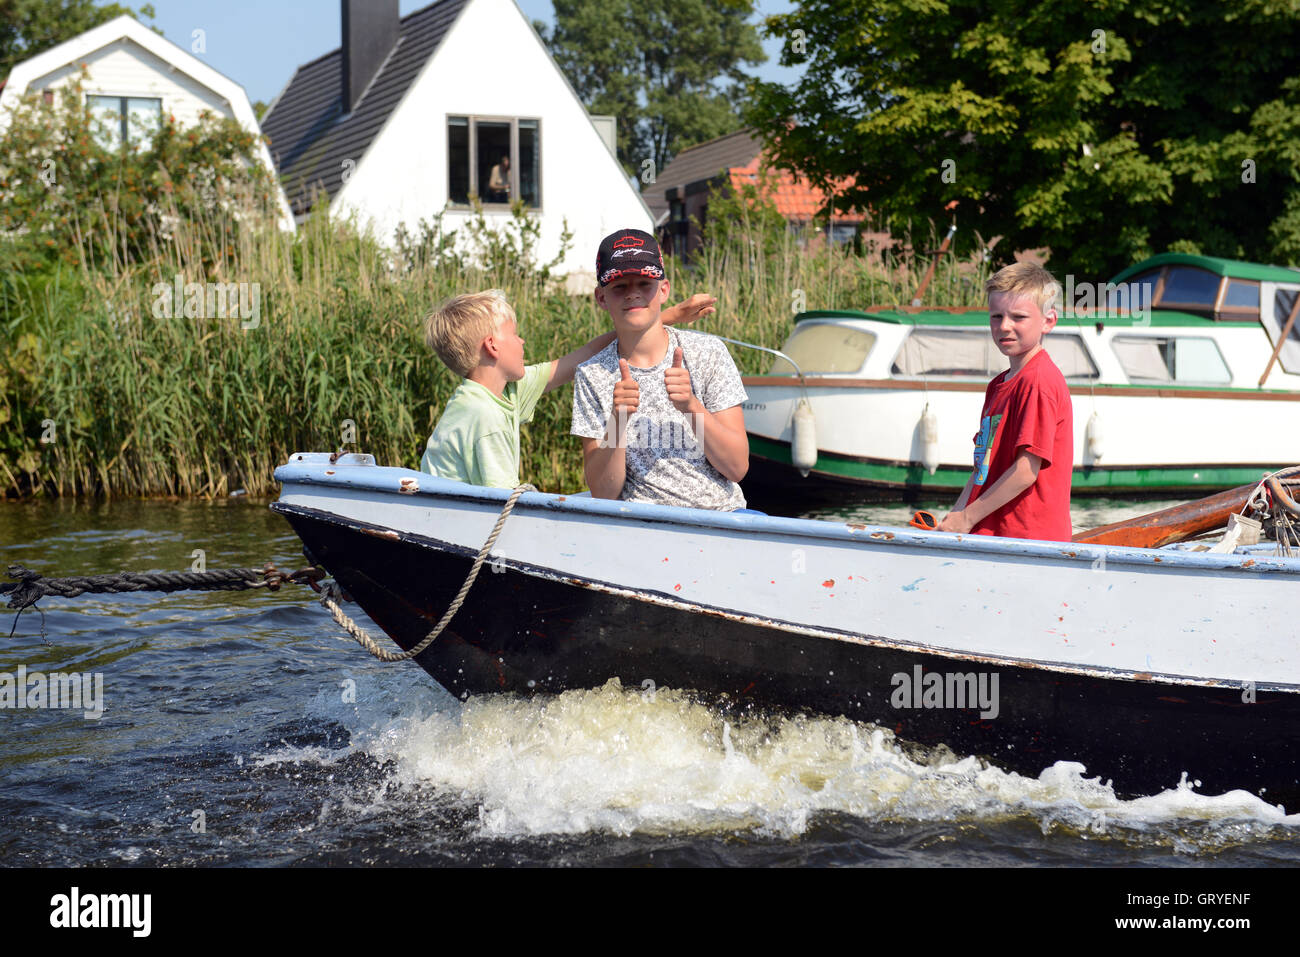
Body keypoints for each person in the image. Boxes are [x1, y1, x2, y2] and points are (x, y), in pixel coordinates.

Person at [420, 287, 715, 489]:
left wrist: (668, 316)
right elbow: (503, 504)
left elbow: (581, 356)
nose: (522, 342)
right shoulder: (483, 416)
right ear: (493, 346)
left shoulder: (506, 390)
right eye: (515, 335)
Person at [571, 228, 750, 510]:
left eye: (644, 283)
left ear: (663, 290)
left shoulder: (709, 352)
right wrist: (618, 420)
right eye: (619, 286)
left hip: (723, 518)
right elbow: (603, 493)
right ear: (602, 298)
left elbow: (737, 467)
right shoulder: (590, 374)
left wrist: (691, 405)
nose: (633, 294)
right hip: (641, 527)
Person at [937, 261, 1073, 541]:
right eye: (996, 316)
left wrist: (968, 518)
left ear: (1048, 321)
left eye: (1018, 317)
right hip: (992, 536)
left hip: (1026, 541)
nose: (1004, 326)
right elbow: (981, 468)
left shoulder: (1038, 381)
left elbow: (1026, 471)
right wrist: (955, 519)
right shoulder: (998, 385)